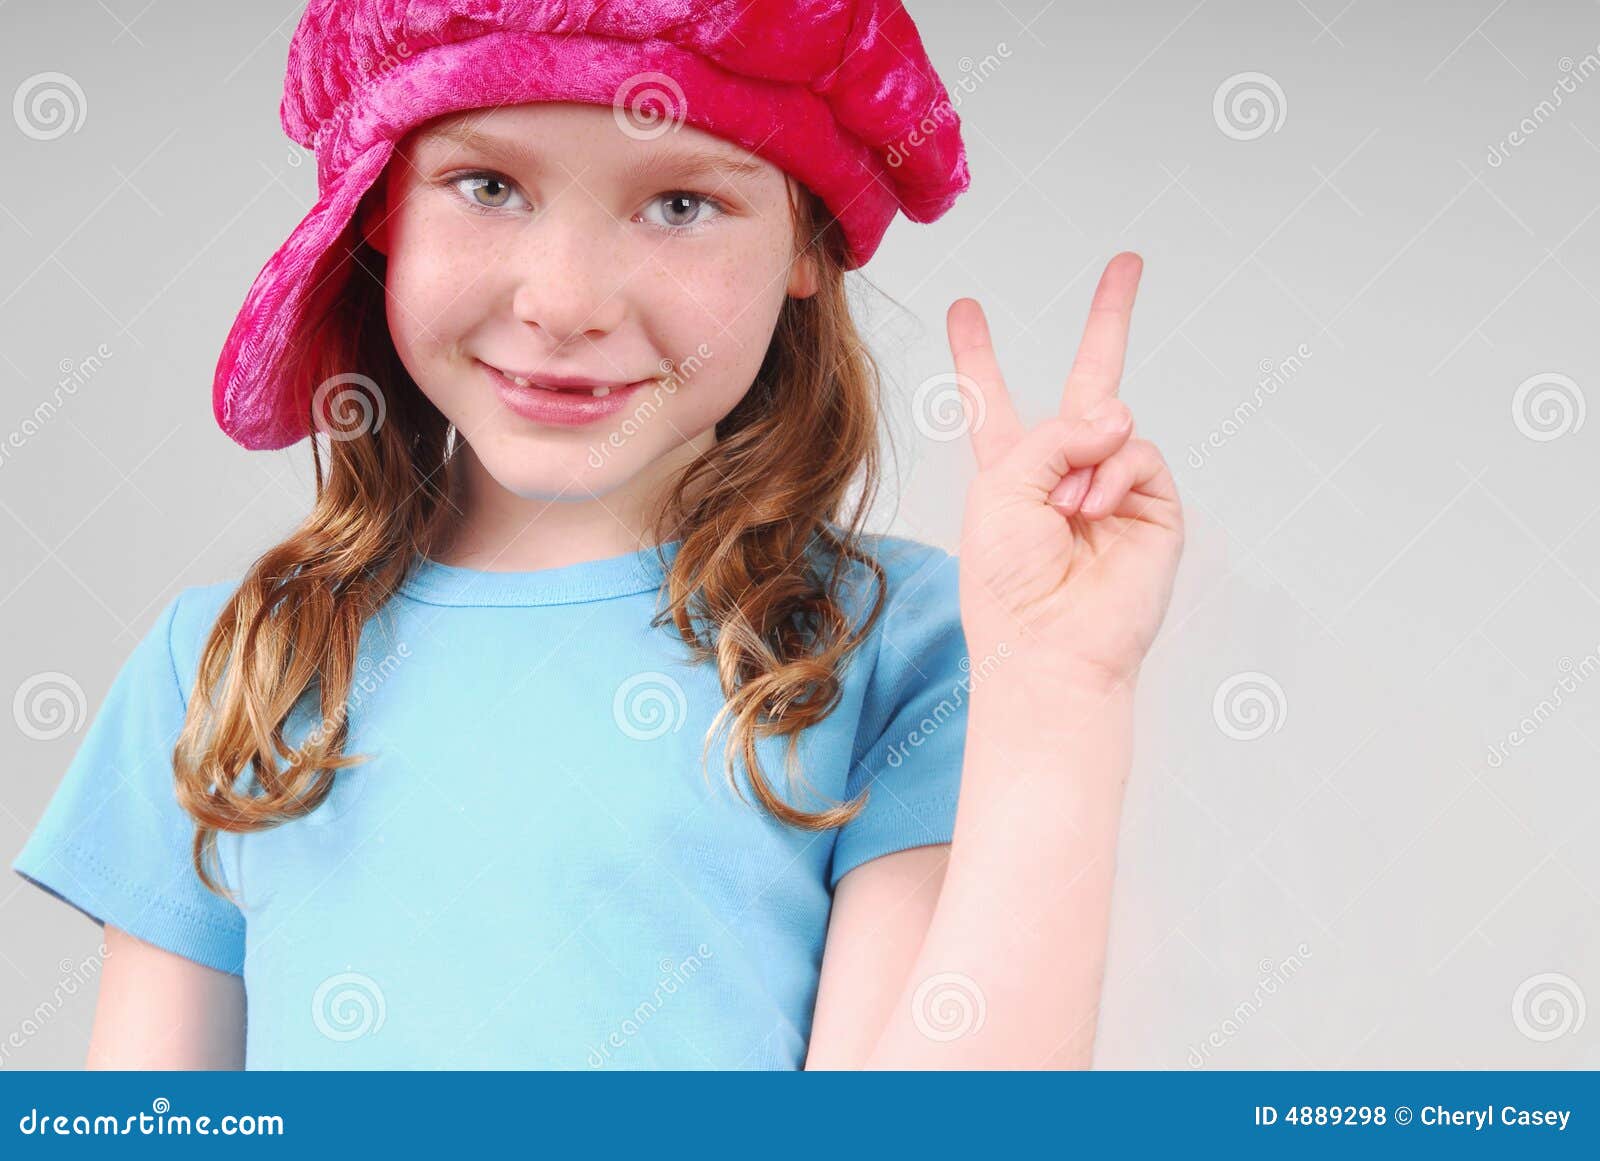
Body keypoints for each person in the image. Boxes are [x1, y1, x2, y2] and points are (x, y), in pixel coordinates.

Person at [11, 0, 1184, 1069]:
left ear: (808, 249)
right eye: (486, 186)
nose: (564, 301)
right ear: (376, 212)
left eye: (681, 204)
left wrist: (1065, 700)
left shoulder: (897, 644)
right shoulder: (227, 660)